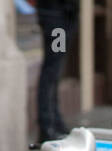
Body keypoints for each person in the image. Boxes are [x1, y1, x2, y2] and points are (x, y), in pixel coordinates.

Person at [36, 0, 80, 142]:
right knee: (52, 70)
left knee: (55, 69)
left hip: (63, 16)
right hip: (56, 20)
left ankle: (55, 121)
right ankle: (47, 124)